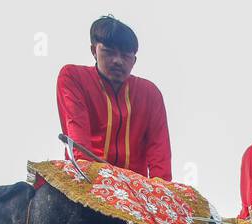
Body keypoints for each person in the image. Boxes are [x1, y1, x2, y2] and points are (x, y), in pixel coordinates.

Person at [56, 16, 172, 179]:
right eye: (109, 52)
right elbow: (79, 146)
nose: (118, 61)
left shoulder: (150, 93)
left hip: (136, 186)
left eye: (125, 56)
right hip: (87, 176)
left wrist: (162, 193)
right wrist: (90, 179)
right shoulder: (73, 77)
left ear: (134, 60)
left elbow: (160, 155)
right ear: (93, 51)